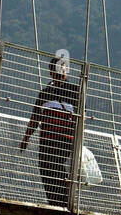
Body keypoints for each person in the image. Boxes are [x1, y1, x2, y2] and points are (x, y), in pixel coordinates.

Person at [20, 55, 81, 206]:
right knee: (46, 168)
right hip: (47, 139)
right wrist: (26, 138)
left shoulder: (75, 91)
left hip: (65, 138)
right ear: (52, 73)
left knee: (56, 166)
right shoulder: (44, 93)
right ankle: (55, 203)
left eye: (64, 69)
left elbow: (82, 116)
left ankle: (64, 203)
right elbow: (35, 118)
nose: (61, 72)